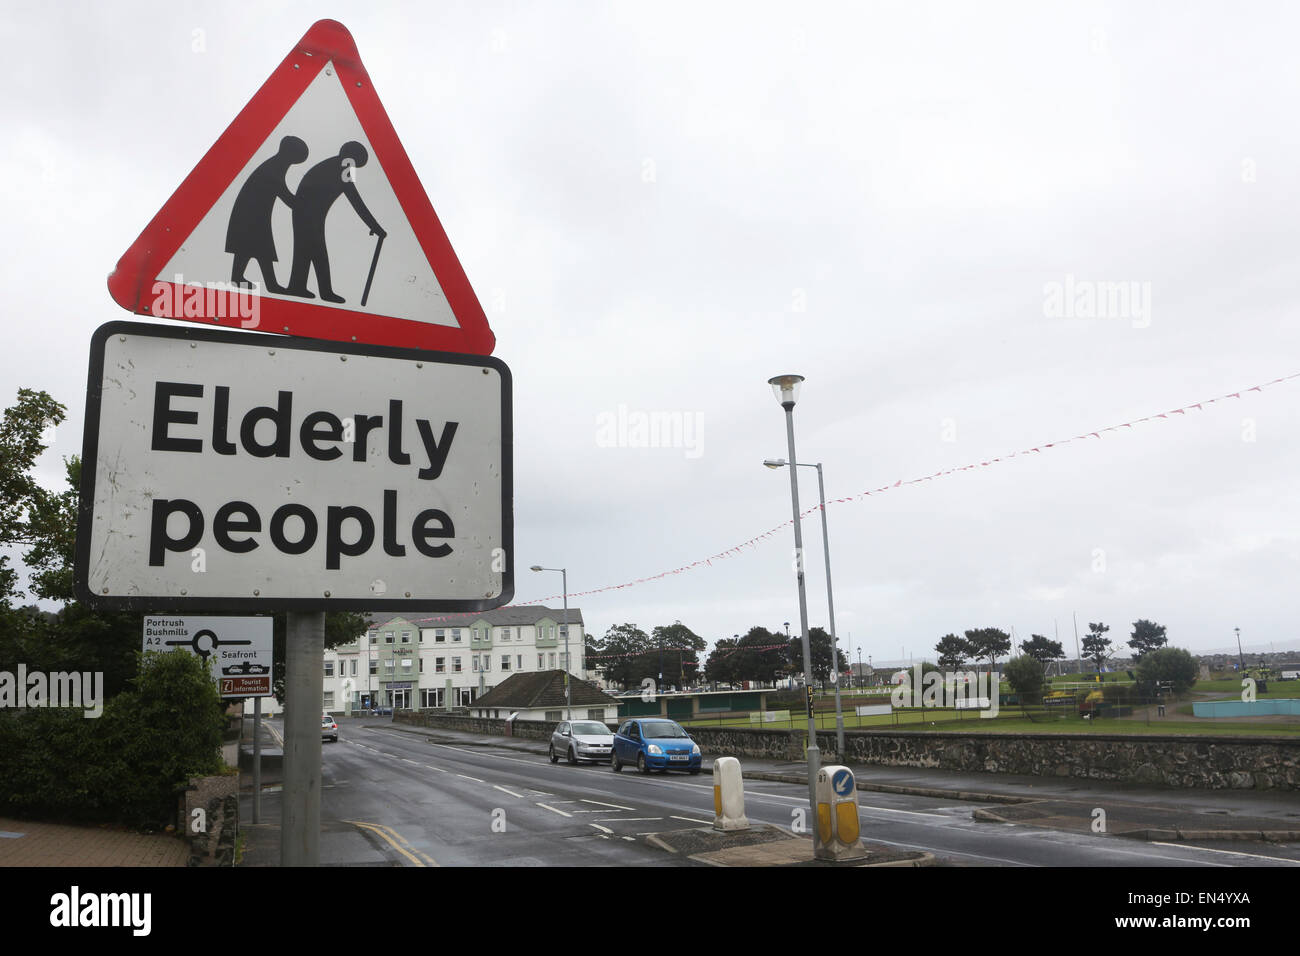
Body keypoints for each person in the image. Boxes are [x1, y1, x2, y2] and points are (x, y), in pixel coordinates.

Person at [283, 141, 386, 303]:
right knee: (316, 253)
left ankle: (299, 286)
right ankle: (319, 291)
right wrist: (376, 227)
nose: (355, 167)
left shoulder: (334, 165)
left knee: (309, 251)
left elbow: (353, 196)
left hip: (308, 214)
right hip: (308, 214)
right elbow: (355, 200)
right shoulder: (340, 168)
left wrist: (375, 227)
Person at [225, 135, 308, 292]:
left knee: (251, 247)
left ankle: (243, 279)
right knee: (259, 247)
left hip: (254, 213)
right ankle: (268, 284)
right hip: (252, 214)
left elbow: (281, 190)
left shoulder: (276, 164)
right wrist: (302, 204)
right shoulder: (274, 167)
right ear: (290, 153)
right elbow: (282, 191)